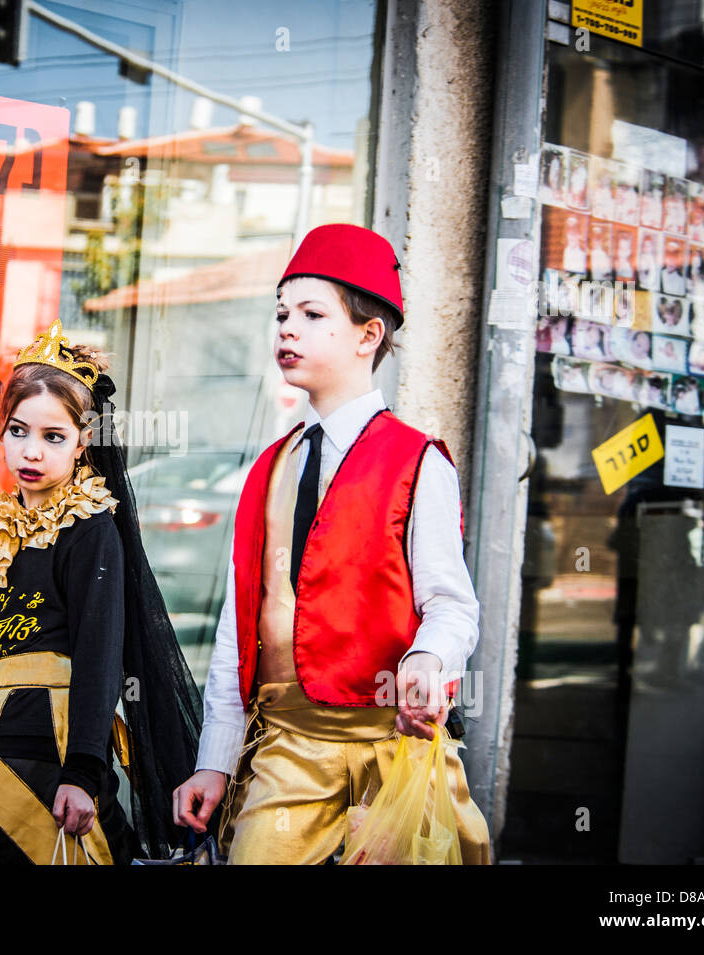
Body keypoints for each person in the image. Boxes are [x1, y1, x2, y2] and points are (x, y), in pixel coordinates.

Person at [170, 224, 491, 865]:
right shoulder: (267, 469)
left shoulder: (417, 462)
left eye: (313, 314)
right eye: (282, 313)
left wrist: (429, 660)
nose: (287, 328)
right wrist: (215, 761)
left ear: (369, 336)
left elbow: (452, 604)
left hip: (396, 752)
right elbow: (241, 632)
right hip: (287, 748)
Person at [0, 319, 201, 865]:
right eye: (19, 431)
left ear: (82, 445)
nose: (32, 451)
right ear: (1, 431)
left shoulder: (90, 530)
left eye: (54, 437)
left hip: (56, 740)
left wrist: (83, 773)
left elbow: (100, 659)